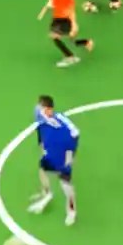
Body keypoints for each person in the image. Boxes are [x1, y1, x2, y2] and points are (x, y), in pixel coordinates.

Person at [28, 95, 80, 226]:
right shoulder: (39, 114)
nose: (39, 110)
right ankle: (47, 194)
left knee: (65, 183)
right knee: (42, 168)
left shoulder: (62, 122)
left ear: (50, 109)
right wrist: (42, 144)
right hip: (50, 150)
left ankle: (72, 210)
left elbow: (75, 134)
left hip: (63, 154)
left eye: (42, 108)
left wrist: (70, 156)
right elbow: (39, 127)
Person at [36, 0, 94, 68]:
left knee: (55, 36)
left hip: (62, 16)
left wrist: (73, 22)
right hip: (62, 14)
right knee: (68, 37)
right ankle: (86, 42)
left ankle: (70, 57)